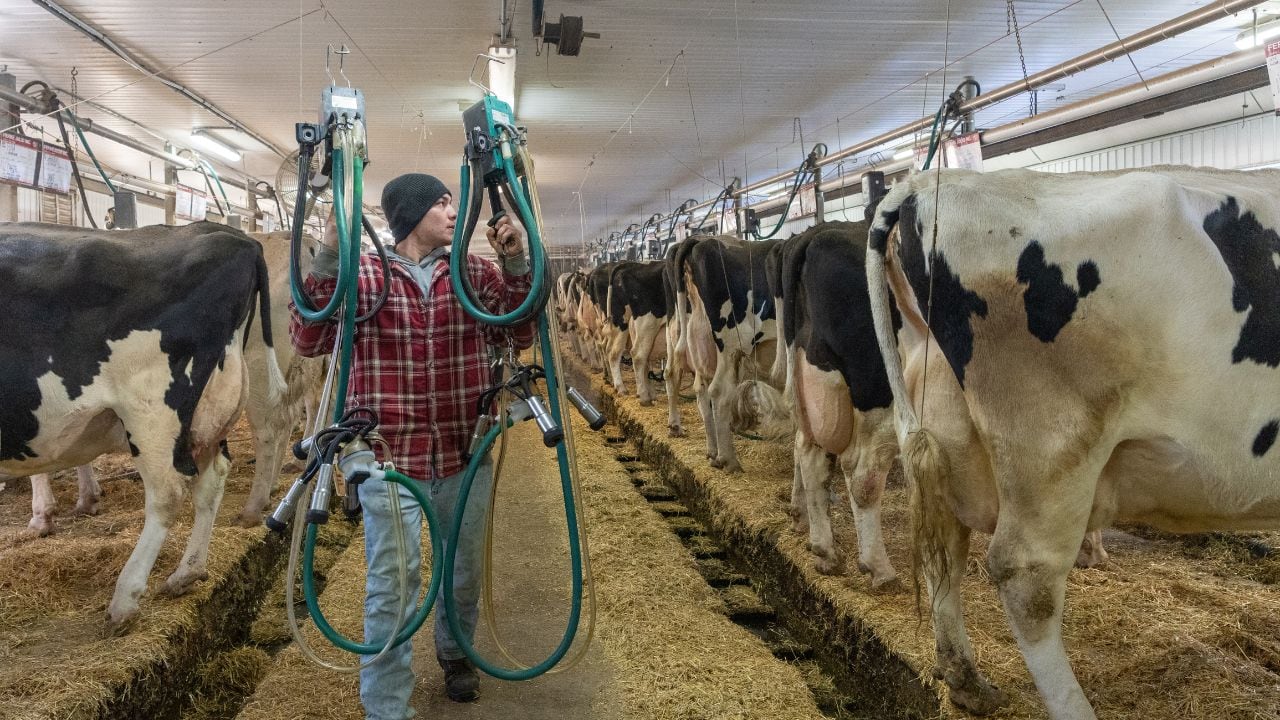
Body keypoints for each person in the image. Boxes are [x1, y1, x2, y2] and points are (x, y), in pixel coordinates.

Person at [289, 172, 535, 718]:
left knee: (462, 568)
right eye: (442, 203)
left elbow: (520, 332)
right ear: (410, 215)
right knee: (393, 584)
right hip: (385, 456)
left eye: (454, 202)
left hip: (463, 449)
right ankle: (387, 706)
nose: (454, 211)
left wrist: (518, 263)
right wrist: (329, 253)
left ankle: (455, 653)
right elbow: (308, 339)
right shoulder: (364, 275)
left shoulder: (472, 272)